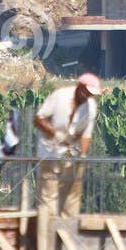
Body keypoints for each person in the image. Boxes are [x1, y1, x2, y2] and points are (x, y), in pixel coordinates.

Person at [34, 72, 101, 218]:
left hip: (71, 153)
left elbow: (86, 135)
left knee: (72, 194)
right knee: (48, 193)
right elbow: (39, 119)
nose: (87, 96)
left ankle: (67, 228)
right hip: (50, 151)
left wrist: (82, 156)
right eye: (86, 92)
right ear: (79, 87)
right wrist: (55, 134)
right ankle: (48, 228)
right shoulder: (60, 96)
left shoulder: (91, 107)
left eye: (91, 94)